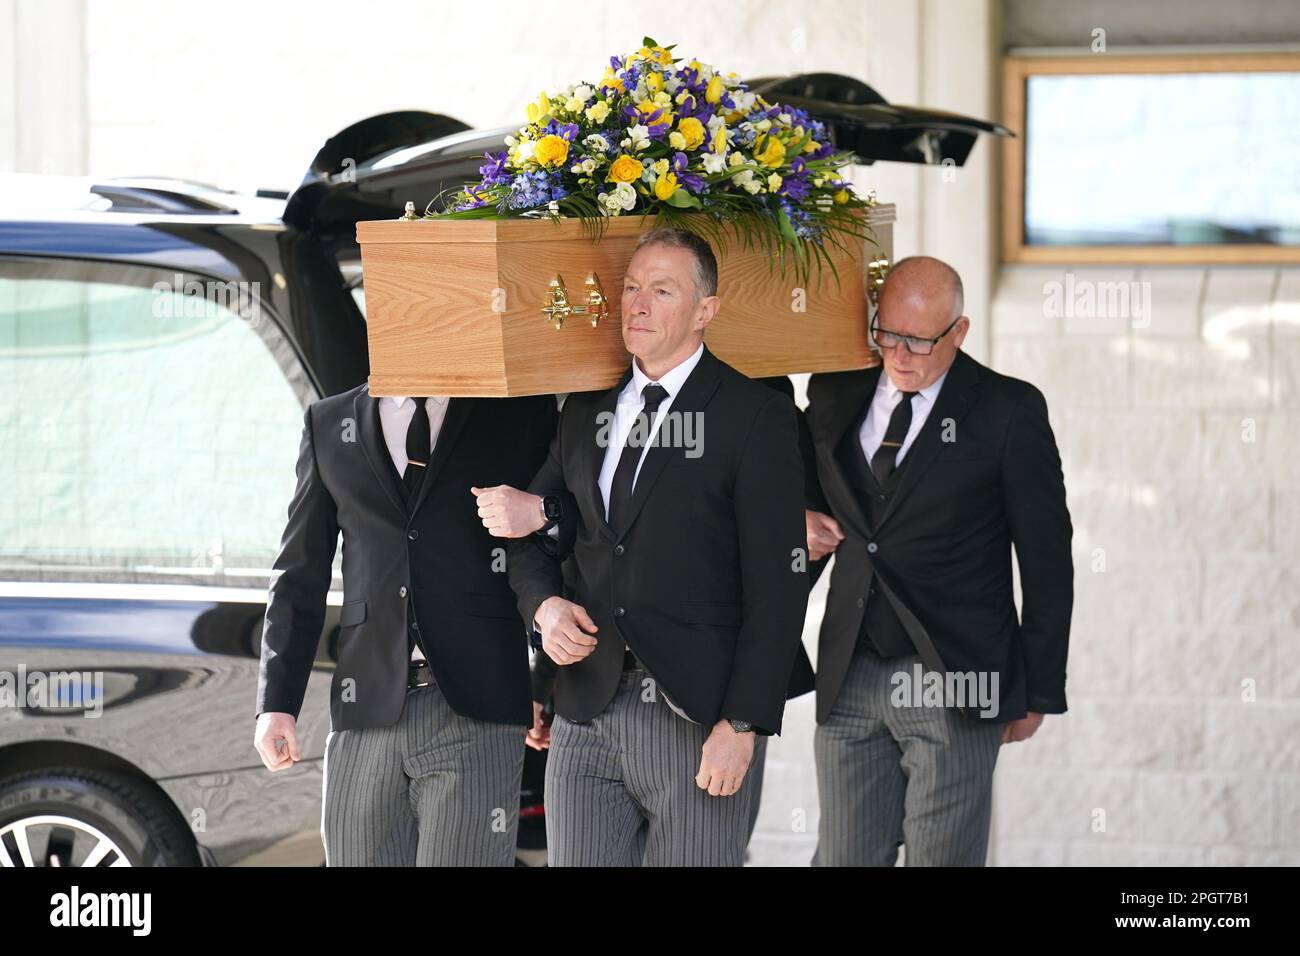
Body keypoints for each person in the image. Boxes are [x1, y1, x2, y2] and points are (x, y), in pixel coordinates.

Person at [473, 227, 813, 866]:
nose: (638, 304)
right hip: (585, 708)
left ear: (705, 311)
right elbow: (532, 536)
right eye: (631, 287)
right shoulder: (585, 406)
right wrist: (544, 615)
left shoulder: (753, 415)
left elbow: (779, 584)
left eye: (662, 290)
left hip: (697, 713)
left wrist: (743, 724)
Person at [802, 255, 1073, 866]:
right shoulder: (834, 389)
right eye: (888, 334)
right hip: (851, 672)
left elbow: (1048, 558)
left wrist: (1038, 687)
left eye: (921, 341)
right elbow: (804, 487)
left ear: (959, 331)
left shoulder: (1008, 411)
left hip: (956, 676)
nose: (900, 354)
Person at [253, 381, 555, 866]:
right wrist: (276, 703)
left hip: (479, 706)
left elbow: (548, 549)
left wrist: (545, 678)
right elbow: (298, 576)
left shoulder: (514, 413)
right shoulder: (329, 423)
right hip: (365, 706)